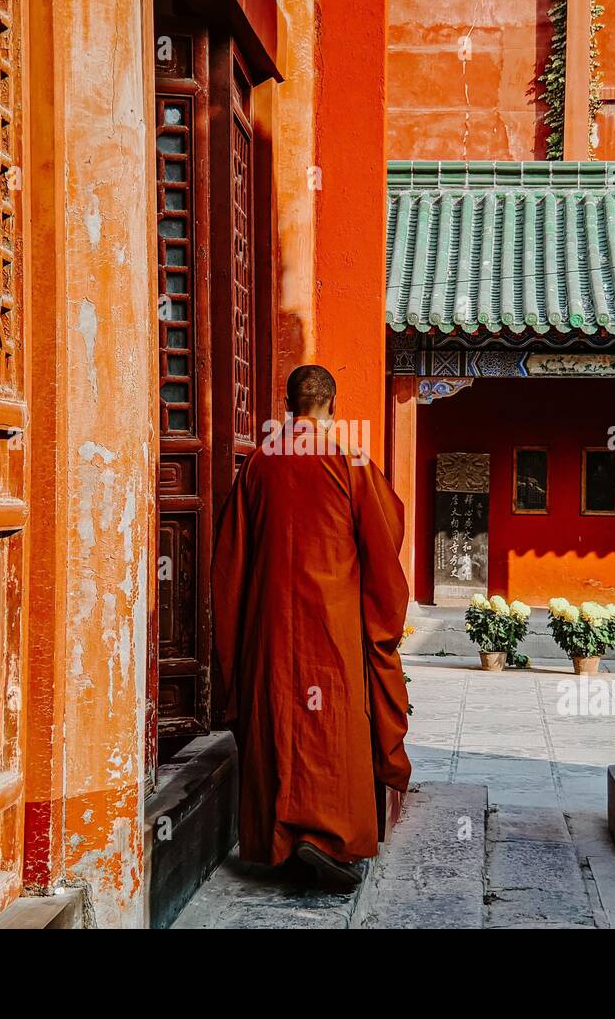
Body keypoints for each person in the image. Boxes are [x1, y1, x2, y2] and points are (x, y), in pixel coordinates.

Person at [211, 365, 412, 890]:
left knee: (280, 720)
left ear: (287, 404)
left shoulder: (258, 464)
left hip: (271, 627)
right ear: (333, 405)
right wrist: (381, 626)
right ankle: (328, 840)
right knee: (330, 727)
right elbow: (384, 543)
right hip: (334, 628)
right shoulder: (351, 462)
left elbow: (231, 559)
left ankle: (282, 837)